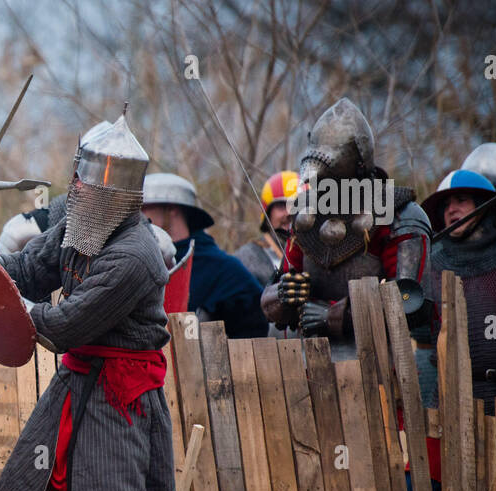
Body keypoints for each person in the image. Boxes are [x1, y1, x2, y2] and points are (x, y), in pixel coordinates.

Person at [0, 116, 215, 491]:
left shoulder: (136, 257)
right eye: (81, 181)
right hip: (75, 388)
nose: (83, 191)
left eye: (94, 186)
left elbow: (63, 326)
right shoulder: (74, 222)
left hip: (120, 397)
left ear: (120, 194)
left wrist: (9, 302)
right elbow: (24, 269)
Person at [260, 98, 431, 360]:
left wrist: (332, 316)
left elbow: (410, 304)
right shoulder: (307, 216)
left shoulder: (398, 215)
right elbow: (280, 299)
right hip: (308, 362)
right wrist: (283, 295)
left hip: (375, 365)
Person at [416, 168, 496, 406]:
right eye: (446, 204)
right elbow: (418, 330)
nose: (451, 209)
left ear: (485, 205)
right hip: (448, 400)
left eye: (461, 200)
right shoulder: (429, 266)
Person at [142, 172, 267, 339]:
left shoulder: (223, 270)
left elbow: (255, 337)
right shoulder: (140, 260)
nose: (138, 215)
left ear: (171, 208)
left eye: (143, 207)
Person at [236, 170, 297, 288]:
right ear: (267, 213)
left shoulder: (316, 258)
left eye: (295, 206)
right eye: (281, 206)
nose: (289, 213)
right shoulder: (245, 260)